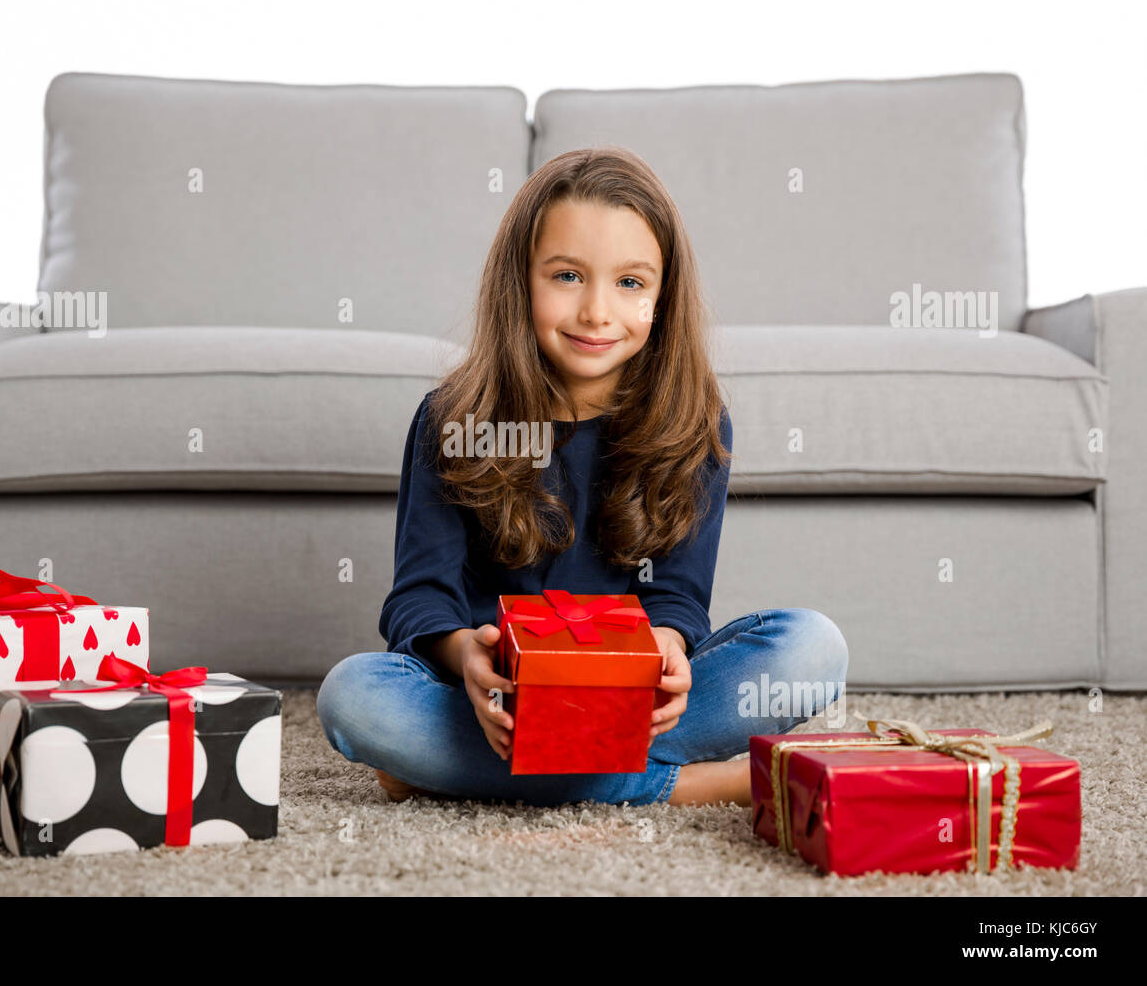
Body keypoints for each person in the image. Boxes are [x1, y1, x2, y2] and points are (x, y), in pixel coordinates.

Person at [318, 146, 848, 807]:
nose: (598, 312)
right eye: (568, 276)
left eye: (630, 284)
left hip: (627, 701)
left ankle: (445, 770)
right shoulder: (453, 420)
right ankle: (689, 785)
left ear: (664, 294)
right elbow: (417, 602)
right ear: (520, 280)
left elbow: (679, 601)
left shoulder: (692, 424)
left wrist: (666, 649)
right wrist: (468, 660)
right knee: (355, 697)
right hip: (498, 705)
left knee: (812, 649)